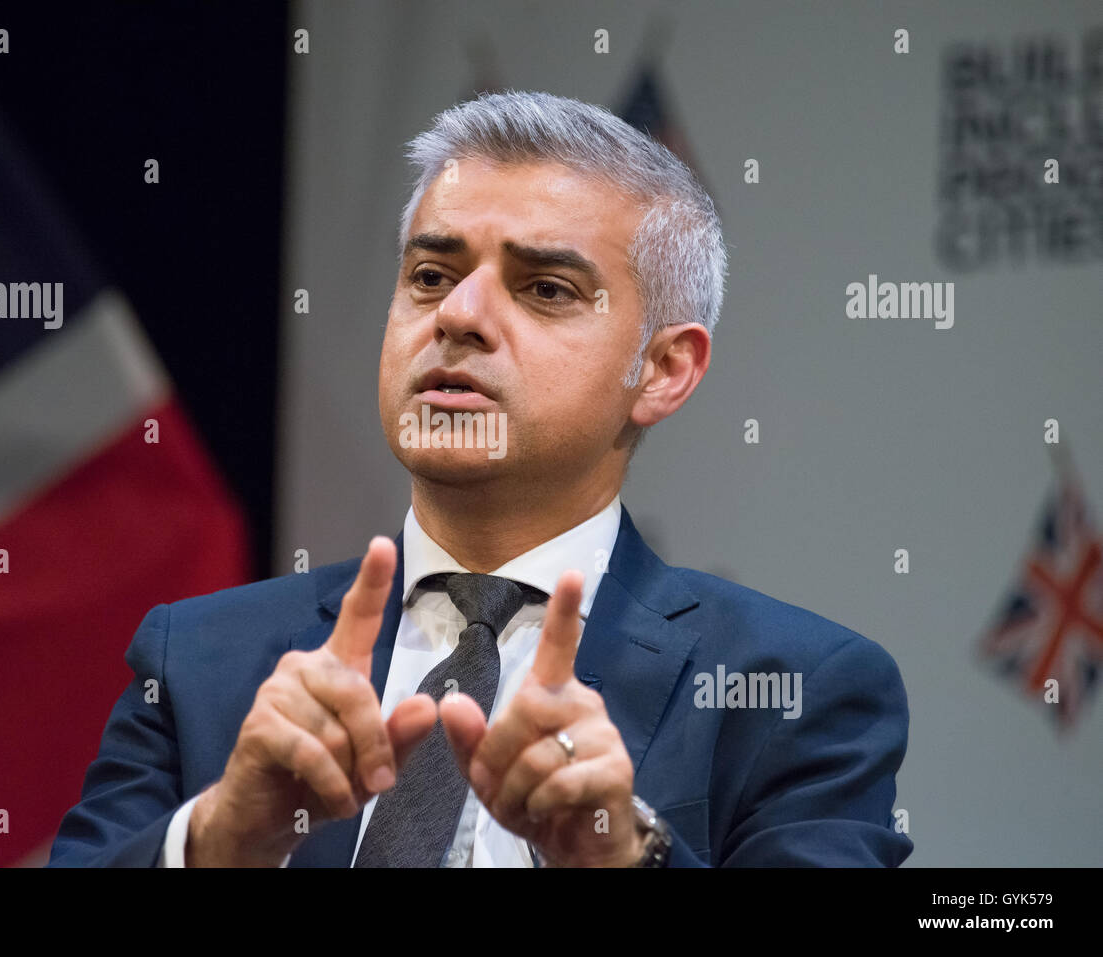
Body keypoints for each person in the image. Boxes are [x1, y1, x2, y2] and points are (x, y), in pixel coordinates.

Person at [48, 90, 912, 868]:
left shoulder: (798, 689)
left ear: (663, 369)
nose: (458, 315)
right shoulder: (196, 660)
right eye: (430, 276)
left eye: (544, 288)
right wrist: (223, 839)